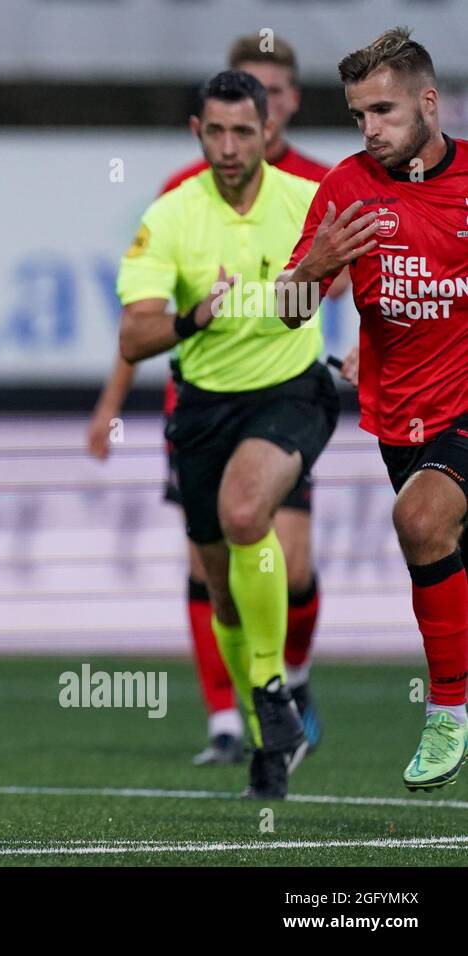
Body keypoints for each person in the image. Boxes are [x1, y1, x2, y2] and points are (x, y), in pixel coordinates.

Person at [90, 34, 340, 765]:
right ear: (200, 131)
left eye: (247, 125)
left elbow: (361, 289)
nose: (231, 144)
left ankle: (281, 684)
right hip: (201, 403)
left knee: (267, 542)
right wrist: (112, 402)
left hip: (290, 391)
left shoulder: (316, 196)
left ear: (277, 116)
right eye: (218, 130)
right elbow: (136, 332)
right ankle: (237, 719)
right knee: (216, 573)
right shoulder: (174, 205)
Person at [278, 27, 468, 791]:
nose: (370, 130)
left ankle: (447, 712)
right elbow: (288, 310)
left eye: (384, 112)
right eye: (359, 115)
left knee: (420, 520)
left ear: (429, 101)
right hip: (400, 421)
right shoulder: (348, 189)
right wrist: (316, 268)